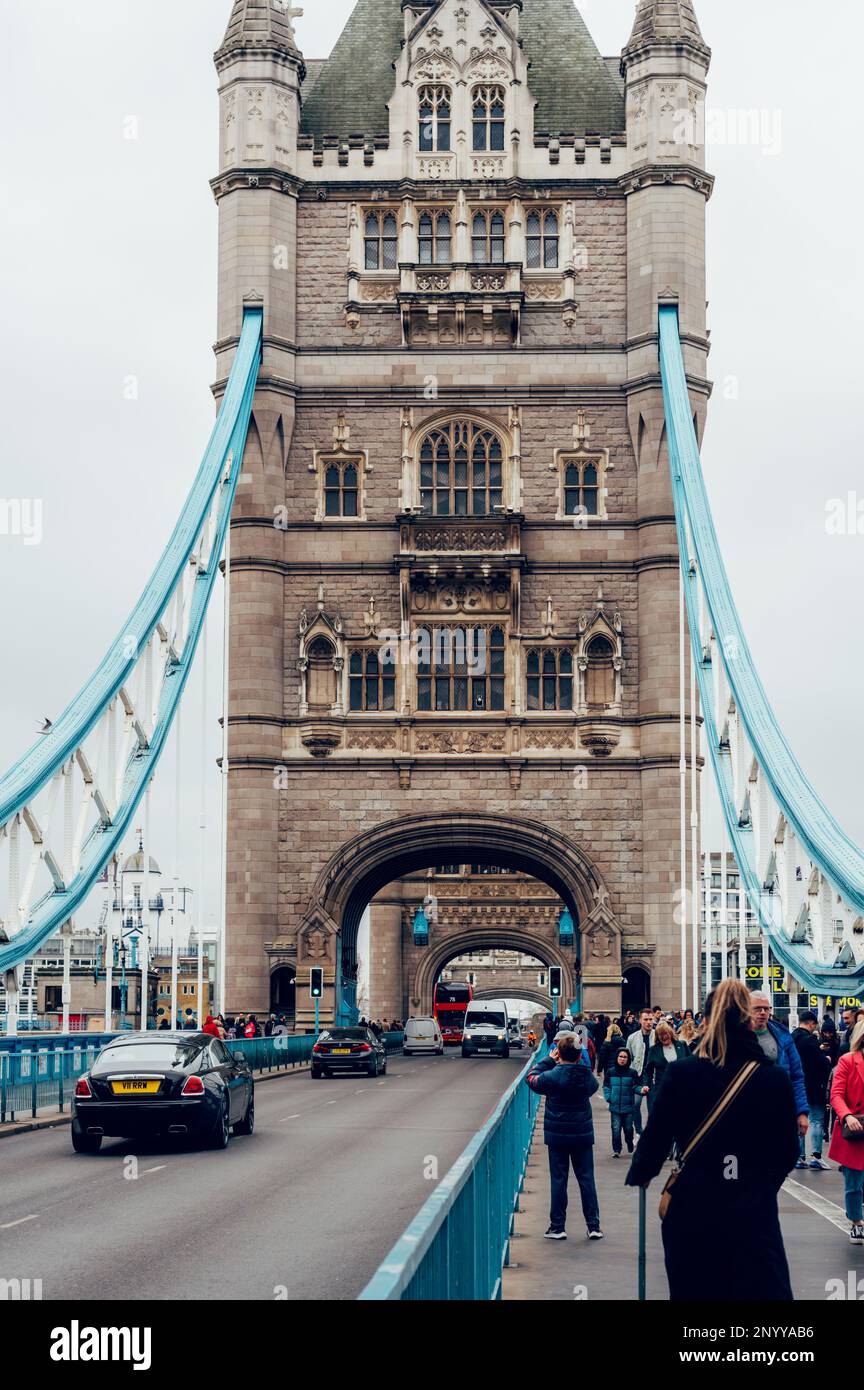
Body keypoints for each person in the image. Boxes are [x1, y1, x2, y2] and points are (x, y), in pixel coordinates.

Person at [626, 979, 800, 1301]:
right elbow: (788, 1150)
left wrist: (642, 1170)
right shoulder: (773, 1078)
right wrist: (761, 1184)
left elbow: (656, 1138)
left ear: (706, 1021)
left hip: (694, 1205)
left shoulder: (683, 1074)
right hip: (752, 1209)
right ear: (749, 1021)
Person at [526, 1033, 603, 1241]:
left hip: (558, 1135)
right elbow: (594, 1087)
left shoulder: (552, 1076)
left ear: (559, 1053)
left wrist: (549, 1060)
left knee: (559, 1180)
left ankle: (557, 1226)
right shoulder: (586, 1076)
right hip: (582, 1134)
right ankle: (593, 1225)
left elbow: (531, 1078)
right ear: (579, 1056)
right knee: (586, 1179)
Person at [749, 991, 809, 1142]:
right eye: (757, 1008)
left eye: (766, 1008)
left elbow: (796, 1076)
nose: (763, 1012)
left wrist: (802, 1112)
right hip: (747, 1109)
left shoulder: (782, 1035)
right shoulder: (734, 1035)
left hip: (778, 1107)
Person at [828, 1019, 864, 1245]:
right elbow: (836, 1094)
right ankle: (856, 1222)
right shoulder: (848, 1061)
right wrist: (847, 1115)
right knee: (854, 1182)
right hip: (854, 1130)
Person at [792, 1011, 832, 1170]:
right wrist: (826, 1058)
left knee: (798, 1120)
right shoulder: (810, 1041)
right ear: (811, 1023)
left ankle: (799, 1157)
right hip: (814, 1085)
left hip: (795, 1085)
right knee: (816, 1119)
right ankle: (816, 1156)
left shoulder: (790, 1038)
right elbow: (821, 1063)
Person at [644, 1021, 689, 1113]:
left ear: (670, 1033)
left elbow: (690, 1063)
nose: (664, 1037)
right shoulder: (654, 1050)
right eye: (661, 1035)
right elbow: (648, 1070)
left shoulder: (682, 1045)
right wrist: (646, 1085)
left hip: (682, 1087)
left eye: (665, 1034)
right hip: (662, 1089)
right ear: (657, 1037)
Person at [603, 1047, 640, 1157]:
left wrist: (642, 1090)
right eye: (620, 1056)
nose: (622, 1059)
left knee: (628, 1128)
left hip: (628, 1106)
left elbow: (636, 1086)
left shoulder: (632, 1073)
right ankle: (616, 1149)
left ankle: (629, 1141)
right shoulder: (611, 1072)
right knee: (616, 1128)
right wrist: (609, 1097)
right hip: (614, 1106)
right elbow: (606, 1086)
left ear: (628, 1059)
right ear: (617, 1057)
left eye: (625, 1057)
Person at [626, 1008, 656, 1134]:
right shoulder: (632, 1038)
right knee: (634, 1106)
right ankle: (639, 1132)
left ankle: (651, 1134)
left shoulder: (658, 1036)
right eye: (646, 1019)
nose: (649, 1022)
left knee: (653, 1109)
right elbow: (628, 1058)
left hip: (654, 1078)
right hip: (638, 1077)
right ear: (640, 1021)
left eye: (651, 1019)